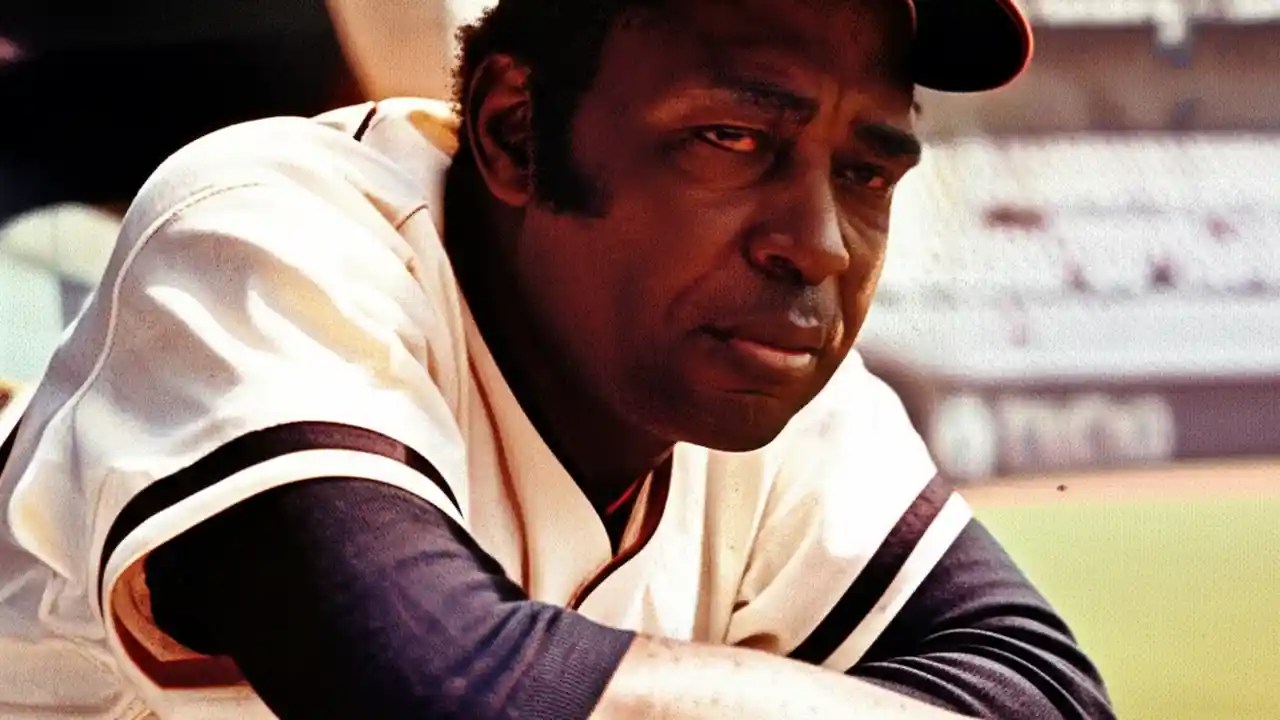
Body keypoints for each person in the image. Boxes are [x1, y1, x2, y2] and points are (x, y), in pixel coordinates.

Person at [0, 0, 1116, 717]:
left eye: (865, 174)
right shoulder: (275, 229)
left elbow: (1044, 691)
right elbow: (437, 691)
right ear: (512, 133)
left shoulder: (757, 359)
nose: (816, 242)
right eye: (730, 138)